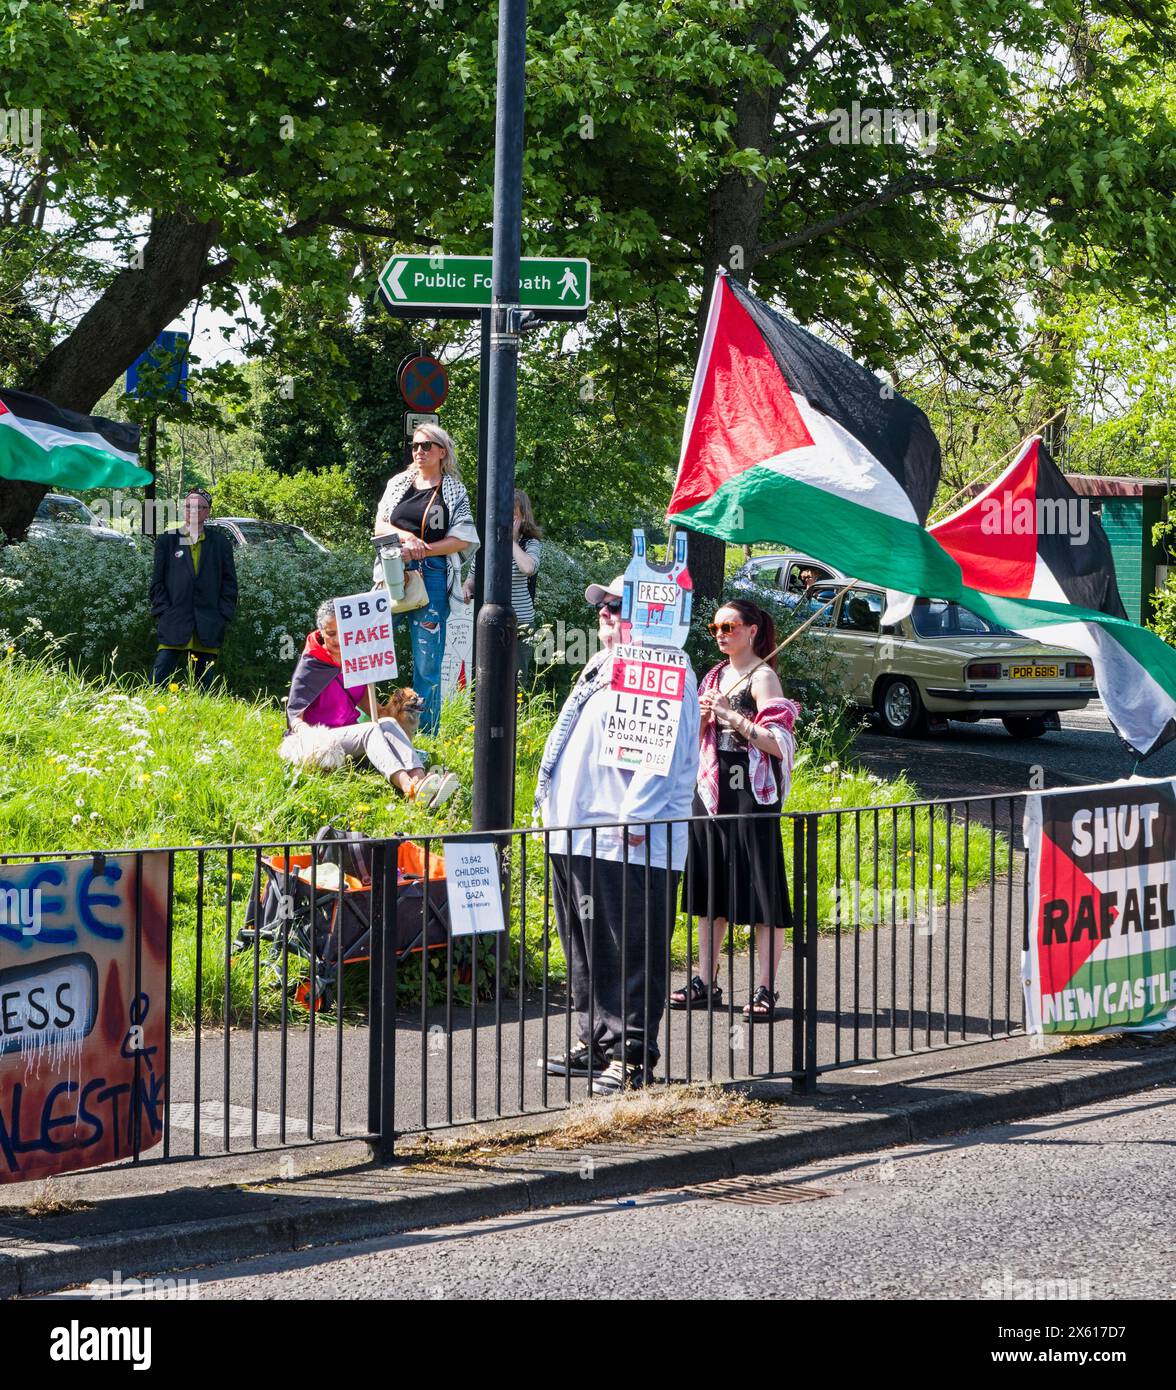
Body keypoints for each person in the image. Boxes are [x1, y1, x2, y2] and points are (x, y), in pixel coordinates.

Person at [534, 574, 700, 1094]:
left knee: (629, 950)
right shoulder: (609, 662)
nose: (603, 613)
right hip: (579, 832)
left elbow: (659, 748)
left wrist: (635, 820)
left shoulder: (663, 665)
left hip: (624, 840)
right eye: (602, 604)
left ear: (650, 612)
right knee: (585, 948)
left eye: (616, 605)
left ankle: (631, 1054)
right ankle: (597, 1041)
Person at [671, 598, 800, 1020]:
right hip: (712, 790)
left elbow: (778, 743)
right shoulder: (714, 675)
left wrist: (733, 717)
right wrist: (706, 719)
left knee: (762, 889)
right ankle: (706, 980)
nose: (721, 634)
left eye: (729, 626)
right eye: (716, 628)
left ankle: (765, 988)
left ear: (752, 631)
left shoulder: (763, 679)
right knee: (711, 888)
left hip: (750, 790)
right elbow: (695, 733)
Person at [279, 601, 459, 809]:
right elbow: (294, 715)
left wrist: (393, 715)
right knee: (371, 729)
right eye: (330, 633)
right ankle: (409, 788)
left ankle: (421, 778)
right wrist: (310, 736)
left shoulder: (355, 656)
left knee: (388, 723)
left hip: (350, 732)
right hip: (323, 738)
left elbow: (374, 708)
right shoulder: (312, 663)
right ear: (321, 632)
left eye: (342, 632)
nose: (337, 639)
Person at [372, 424, 478, 735]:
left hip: (432, 576)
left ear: (442, 452)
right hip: (392, 572)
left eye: (428, 445)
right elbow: (380, 524)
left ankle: (426, 734)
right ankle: (369, 724)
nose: (419, 451)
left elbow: (463, 538)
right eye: (416, 445)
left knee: (427, 662)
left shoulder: (454, 490)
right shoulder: (398, 483)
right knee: (372, 649)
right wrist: (407, 539)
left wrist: (423, 549)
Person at [149, 487, 238, 687]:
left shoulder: (220, 543)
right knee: (157, 681)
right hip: (174, 621)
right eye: (189, 506)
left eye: (199, 507)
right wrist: (164, 611)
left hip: (208, 624)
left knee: (204, 686)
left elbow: (229, 584)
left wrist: (223, 614)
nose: (193, 511)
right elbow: (157, 582)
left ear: (207, 512)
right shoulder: (167, 540)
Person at [462, 488, 542, 679]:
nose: (506, 521)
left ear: (523, 517)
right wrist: (466, 587)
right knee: (489, 674)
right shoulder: (487, 544)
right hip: (489, 620)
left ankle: (518, 709)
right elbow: (473, 577)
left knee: (517, 676)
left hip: (520, 621)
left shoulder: (530, 543)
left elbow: (529, 568)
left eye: (513, 516)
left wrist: (511, 541)